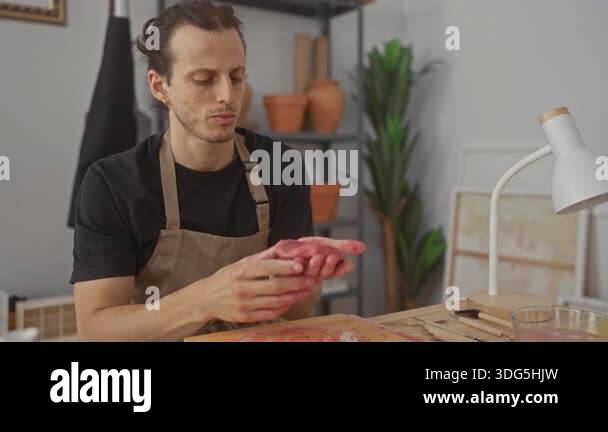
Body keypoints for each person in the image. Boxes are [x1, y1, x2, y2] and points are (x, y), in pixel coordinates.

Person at [71, 0, 366, 341]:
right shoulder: (112, 184)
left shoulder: (280, 167)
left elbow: (298, 313)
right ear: (159, 86)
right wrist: (206, 300)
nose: (227, 95)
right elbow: (96, 330)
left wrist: (303, 276)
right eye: (204, 79)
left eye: (236, 77)